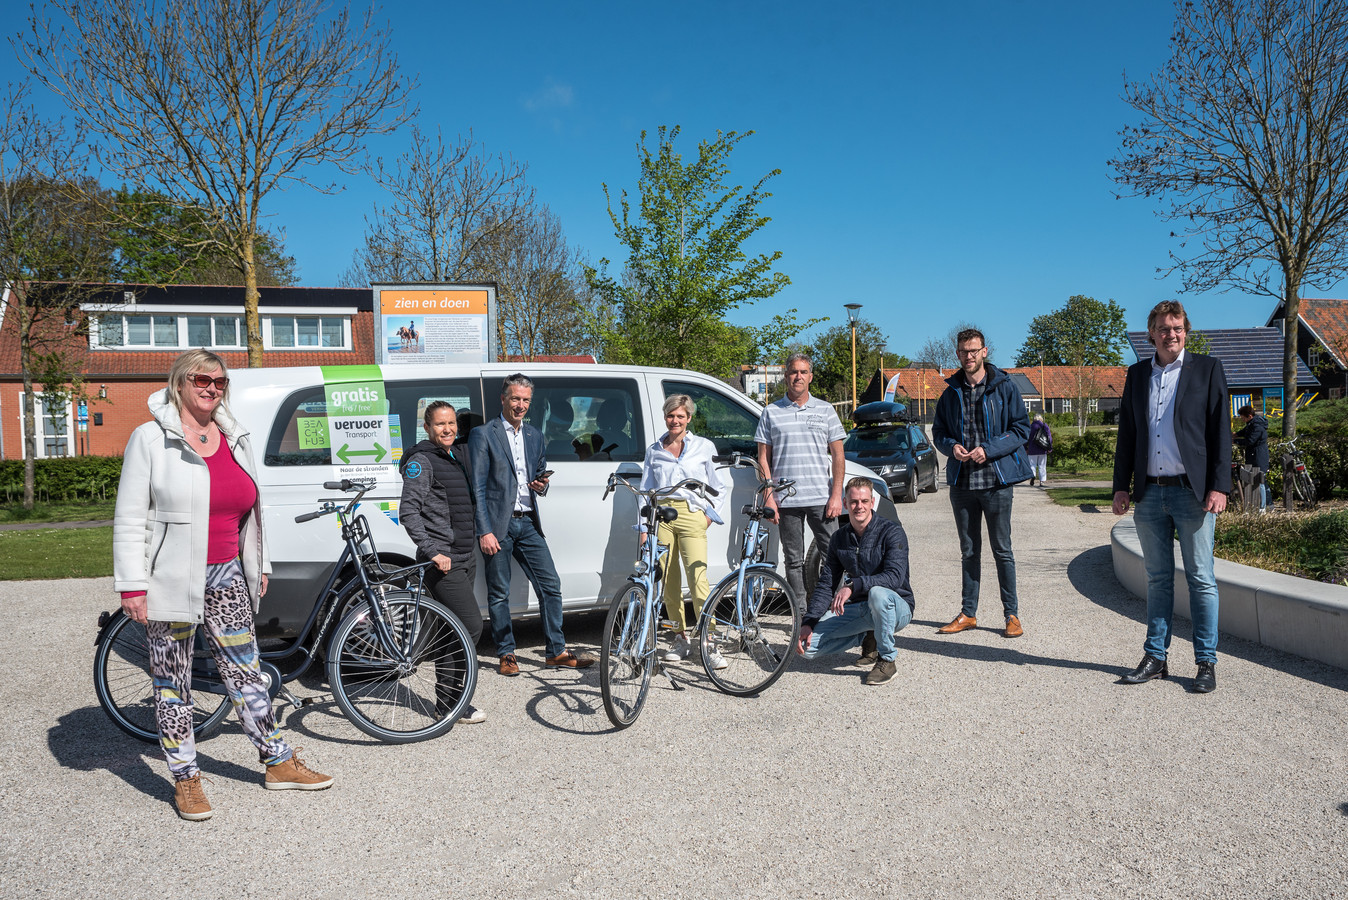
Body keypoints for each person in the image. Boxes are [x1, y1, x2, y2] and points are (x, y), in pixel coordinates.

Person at [112, 349, 331, 821]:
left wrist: (259, 563)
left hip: (227, 573)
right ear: (179, 383)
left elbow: (252, 509)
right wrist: (132, 585)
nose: (211, 388)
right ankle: (186, 778)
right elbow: (130, 518)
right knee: (173, 682)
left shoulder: (235, 437)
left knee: (246, 672)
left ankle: (277, 761)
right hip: (171, 578)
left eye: (220, 381)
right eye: (202, 379)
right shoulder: (150, 439)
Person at [1113, 300, 1231, 694]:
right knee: (1158, 579)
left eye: (1177, 328)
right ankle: (1156, 657)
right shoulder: (1137, 374)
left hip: (1192, 494)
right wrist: (1121, 485)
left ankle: (1205, 662)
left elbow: (1221, 432)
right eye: (1164, 328)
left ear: (1186, 330)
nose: (1171, 335)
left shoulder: (1207, 370)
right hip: (1149, 494)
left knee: (1201, 579)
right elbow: (1128, 435)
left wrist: (1220, 485)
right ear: (1152, 333)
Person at [468, 374, 595, 675]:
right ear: (503, 398)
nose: (520, 405)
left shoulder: (535, 435)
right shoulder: (483, 434)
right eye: (515, 398)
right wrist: (484, 530)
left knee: (550, 585)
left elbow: (538, 474)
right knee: (499, 592)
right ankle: (506, 653)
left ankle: (556, 652)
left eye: (526, 400)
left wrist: (541, 485)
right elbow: (478, 488)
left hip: (528, 523)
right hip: (497, 525)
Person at [931, 327, 1032, 638]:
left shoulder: (1005, 387)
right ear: (957, 354)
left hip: (996, 482)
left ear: (984, 352)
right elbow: (939, 432)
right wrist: (951, 447)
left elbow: (1021, 430)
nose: (969, 356)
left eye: (974, 351)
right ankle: (968, 613)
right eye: (963, 351)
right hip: (962, 484)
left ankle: (1011, 615)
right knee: (969, 551)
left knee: (1002, 550)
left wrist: (988, 449)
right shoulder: (950, 393)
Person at [398, 401, 487, 724]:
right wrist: (432, 551)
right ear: (427, 427)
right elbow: (408, 512)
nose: (447, 429)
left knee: (452, 631)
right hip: (443, 562)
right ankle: (452, 702)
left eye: (451, 423)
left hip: (464, 556)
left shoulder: (454, 456)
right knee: (470, 627)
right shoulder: (422, 461)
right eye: (439, 424)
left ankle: (448, 703)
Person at [796, 477, 915, 686]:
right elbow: (826, 583)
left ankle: (887, 660)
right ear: (845, 503)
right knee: (806, 648)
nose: (859, 506)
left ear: (872, 502)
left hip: (896, 607)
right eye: (853, 502)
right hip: (862, 609)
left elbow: (895, 577)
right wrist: (809, 621)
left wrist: (853, 586)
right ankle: (869, 636)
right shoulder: (839, 538)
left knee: (877, 593)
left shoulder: (891, 531)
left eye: (864, 501)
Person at [639, 395, 727, 667]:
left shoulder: (704, 446)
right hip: (662, 516)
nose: (675, 421)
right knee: (668, 580)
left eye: (680, 416)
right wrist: (644, 528)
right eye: (670, 415)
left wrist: (708, 517)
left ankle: (709, 641)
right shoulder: (655, 450)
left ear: (689, 418)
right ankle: (680, 637)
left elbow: (718, 487)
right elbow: (645, 490)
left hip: (691, 515)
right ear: (665, 417)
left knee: (698, 578)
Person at [755, 353, 847, 608]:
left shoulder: (826, 410)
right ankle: (800, 614)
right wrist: (769, 497)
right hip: (786, 499)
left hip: (821, 497)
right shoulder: (771, 412)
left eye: (803, 372)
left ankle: (830, 610)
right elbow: (763, 459)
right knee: (793, 560)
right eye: (794, 372)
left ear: (810, 377)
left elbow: (838, 456)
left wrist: (836, 494)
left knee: (833, 556)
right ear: (786, 376)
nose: (798, 376)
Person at [1234, 404, 1269, 511]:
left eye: (1243, 418)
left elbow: (1250, 441)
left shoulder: (1257, 426)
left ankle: (1262, 507)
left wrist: (1235, 441)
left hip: (1259, 456)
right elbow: (1244, 431)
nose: (1242, 420)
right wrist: (1235, 434)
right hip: (1253, 455)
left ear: (1249, 416)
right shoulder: (1252, 423)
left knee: (1260, 480)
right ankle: (1264, 505)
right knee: (1258, 480)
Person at [1025, 413, 1052, 487]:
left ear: (1034, 419)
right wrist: (1050, 448)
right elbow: (1049, 437)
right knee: (1042, 465)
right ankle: (1042, 481)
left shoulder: (1030, 427)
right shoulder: (1044, 426)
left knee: (1032, 465)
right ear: (1041, 419)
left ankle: (1033, 475)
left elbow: (1026, 438)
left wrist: (1025, 448)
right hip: (1042, 449)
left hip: (1032, 450)